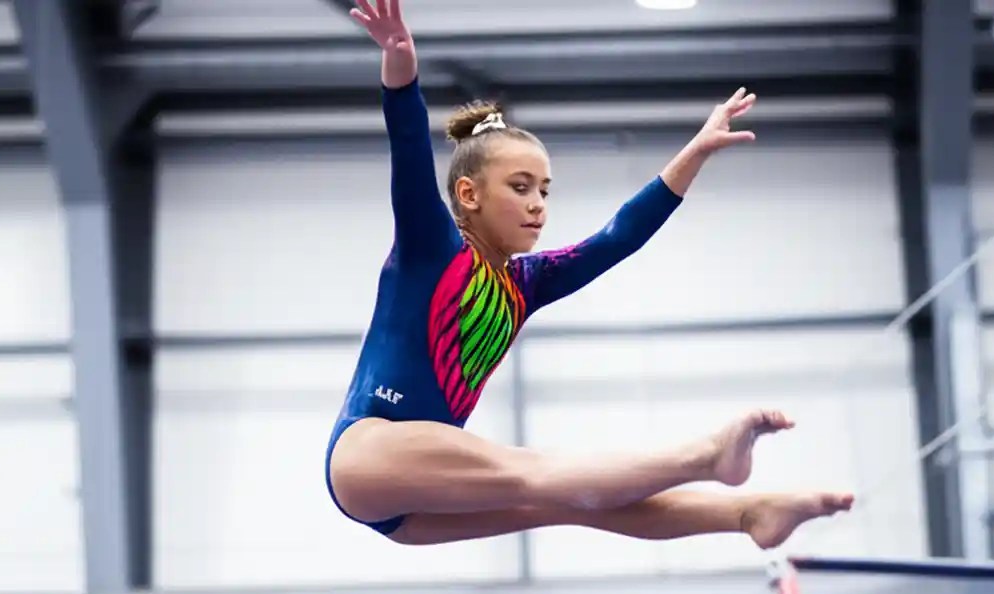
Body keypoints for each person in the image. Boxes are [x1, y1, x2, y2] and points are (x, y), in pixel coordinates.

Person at [326, 0, 854, 547]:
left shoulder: (523, 286)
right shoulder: (431, 247)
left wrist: (694, 152)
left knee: (570, 502)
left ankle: (748, 514)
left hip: (409, 511)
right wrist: (400, 61)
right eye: (521, 186)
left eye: (545, 190)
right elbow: (409, 145)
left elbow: (616, 237)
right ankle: (703, 456)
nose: (538, 206)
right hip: (371, 451)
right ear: (469, 194)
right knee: (535, 472)